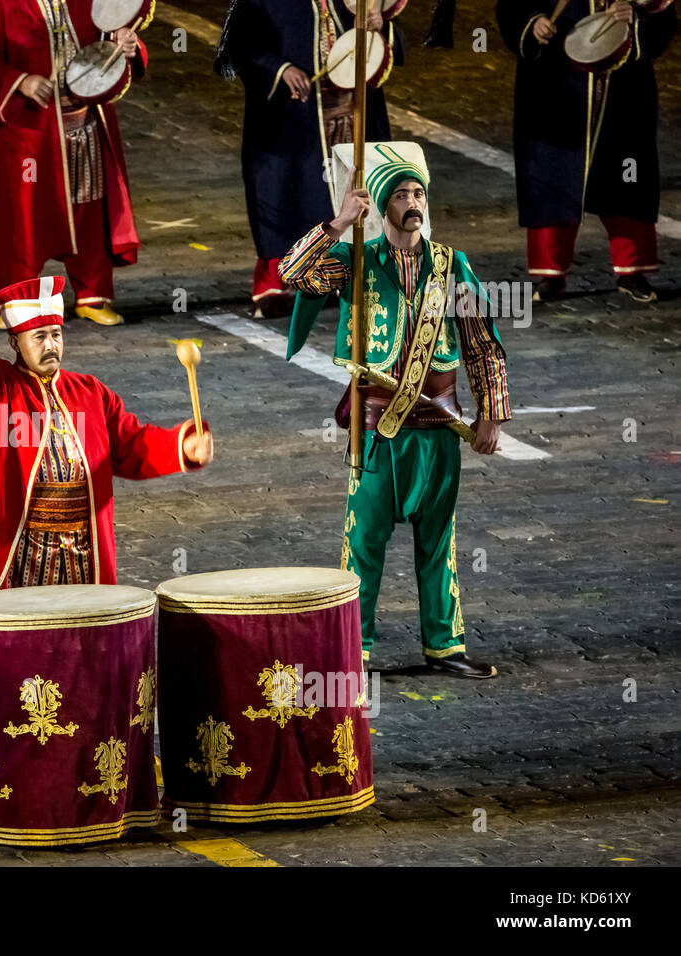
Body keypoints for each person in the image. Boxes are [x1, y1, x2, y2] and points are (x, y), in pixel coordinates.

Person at [279, 145, 510, 678]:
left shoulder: (452, 264)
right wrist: (338, 223)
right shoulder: (354, 256)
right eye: (401, 194)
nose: (412, 202)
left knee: (439, 538)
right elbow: (292, 274)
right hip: (378, 426)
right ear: (382, 205)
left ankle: (445, 645)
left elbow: (482, 341)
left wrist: (492, 415)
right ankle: (351, 650)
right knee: (364, 540)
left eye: (418, 193)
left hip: (438, 425)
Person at [0, 234, 213, 597]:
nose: (50, 345)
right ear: (15, 342)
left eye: (56, 335)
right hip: (16, 562)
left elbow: (132, 443)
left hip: (81, 559)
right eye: (39, 336)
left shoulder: (90, 393)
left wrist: (183, 446)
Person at [0, 0, 146, 327]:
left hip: (83, 121)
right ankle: (15, 299)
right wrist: (20, 82)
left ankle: (93, 293)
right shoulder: (1, 6)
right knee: (23, 220)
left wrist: (126, 43)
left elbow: (108, 33)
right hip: (29, 132)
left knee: (90, 210)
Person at [214, 0, 403, 317]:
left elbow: (390, 43)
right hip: (293, 117)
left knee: (358, 191)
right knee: (288, 195)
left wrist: (380, 26)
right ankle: (281, 279)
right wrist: (280, 68)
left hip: (353, 113)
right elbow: (237, 48)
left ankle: (353, 273)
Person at [497, 0, 675, 303]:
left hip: (624, 84)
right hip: (553, 81)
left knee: (627, 175)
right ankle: (549, 273)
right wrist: (532, 20)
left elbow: (663, 16)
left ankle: (632, 270)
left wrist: (636, 18)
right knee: (551, 175)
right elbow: (509, 6)